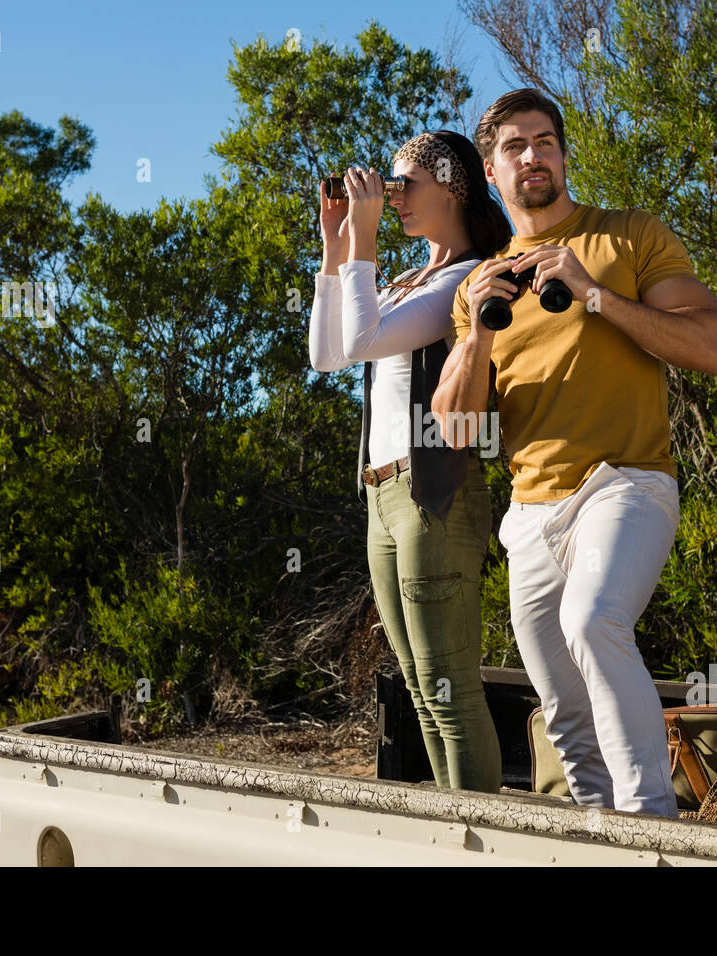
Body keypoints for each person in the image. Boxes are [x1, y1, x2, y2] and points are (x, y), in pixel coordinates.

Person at [432, 89, 717, 816]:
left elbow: (712, 349)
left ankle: (650, 824)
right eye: (514, 147)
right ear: (493, 176)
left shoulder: (627, 237)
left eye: (544, 141)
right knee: (562, 703)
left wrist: (594, 294)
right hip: (531, 512)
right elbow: (454, 429)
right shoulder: (481, 285)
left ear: (563, 155)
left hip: (624, 484)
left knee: (593, 622)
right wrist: (478, 332)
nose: (532, 156)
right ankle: (601, 835)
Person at [309, 131, 511, 792]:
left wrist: (362, 244)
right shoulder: (404, 282)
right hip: (381, 495)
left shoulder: (466, 278)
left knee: (451, 693)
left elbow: (364, 338)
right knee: (421, 692)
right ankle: (455, 829)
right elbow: (329, 355)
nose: (392, 199)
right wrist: (336, 247)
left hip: (435, 494)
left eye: (404, 185)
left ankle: (485, 836)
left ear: (452, 186)